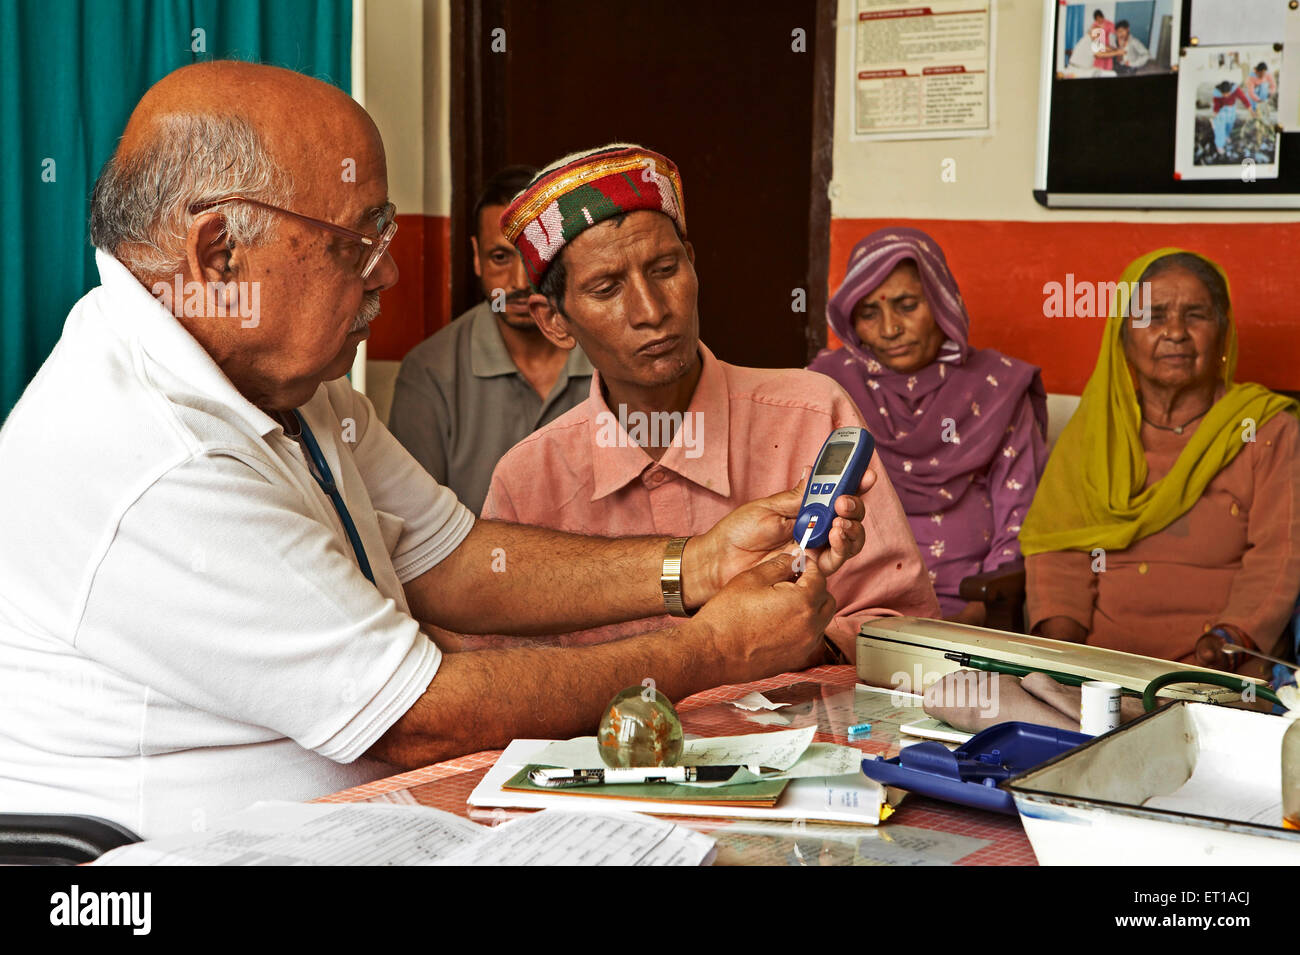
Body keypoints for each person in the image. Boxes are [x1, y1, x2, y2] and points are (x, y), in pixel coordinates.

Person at [0, 64, 873, 838]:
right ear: (219, 253)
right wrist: (714, 650)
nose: (387, 274)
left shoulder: (285, 380)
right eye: (357, 242)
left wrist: (695, 565)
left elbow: (454, 558)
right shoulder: (153, 453)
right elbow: (418, 713)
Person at [469, 144, 939, 658]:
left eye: (665, 269)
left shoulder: (813, 414)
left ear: (693, 264)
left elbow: (905, 628)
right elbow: (501, 666)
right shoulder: (528, 479)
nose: (650, 311)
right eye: (606, 288)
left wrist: (806, 643)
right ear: (553, 320)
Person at [1021, 249, 1300, 666]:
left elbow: (1280, 556)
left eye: (1195, 315)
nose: (1175, 332)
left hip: (1220, 663)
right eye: (1153, 316)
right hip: (1100, 664)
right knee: (970, 702)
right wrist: (1061, 662)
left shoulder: (1267, 429)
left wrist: (1231, 638)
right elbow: (1060, 553)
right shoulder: (1097, 430)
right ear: (1124, 337)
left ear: (1223, 333)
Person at [808, 228, 1047, 624]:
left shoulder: (997, 389)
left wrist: (983, 609)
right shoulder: (828, 387)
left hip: (969, 606)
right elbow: (807, 510)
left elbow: (1020, 517)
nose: (889, 329)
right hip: (848, 607)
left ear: (941, 302)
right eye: (869, 313)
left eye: (906, 305)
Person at [388, 165, 594, 514]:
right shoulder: (430, 372)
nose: (519, 281)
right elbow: (414, 529)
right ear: (475, 257)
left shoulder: (607, 352)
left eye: (534, 256)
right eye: (500, 257)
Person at [1211, 80, 1254, 157]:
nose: (1226, 96)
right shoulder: (1217, 93)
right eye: (1224, 94)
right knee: (1220, 127)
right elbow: (1216, 105)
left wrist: (1250, 110)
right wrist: (1215, 116)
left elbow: (1243, 98)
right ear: (1221, 91)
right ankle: (1219, 145)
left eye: (1228, 93)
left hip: (1232, 109)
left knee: (1230, 124)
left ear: (1230, 90)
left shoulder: (1235, 90)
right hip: (1222, 110)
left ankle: (1226, 136)